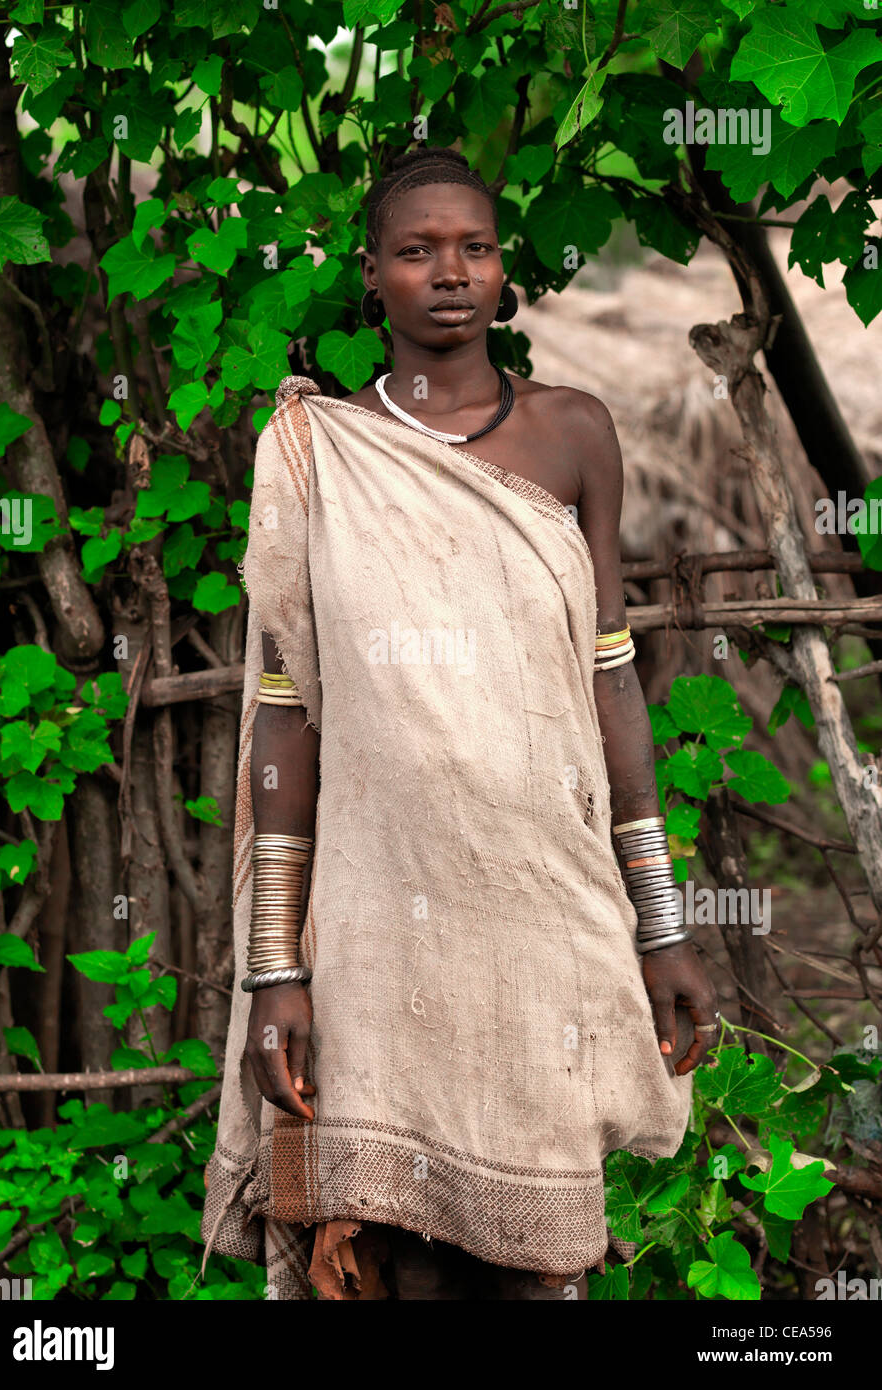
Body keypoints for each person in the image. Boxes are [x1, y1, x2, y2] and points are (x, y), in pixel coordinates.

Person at [201, 147, 718, 1301]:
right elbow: (286, 724)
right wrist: (277, 973)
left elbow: (611, 681)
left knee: (539, 1258)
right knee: (398, 1260)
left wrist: (662, 925)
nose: (449, 272)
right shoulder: (314, 455)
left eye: (473, 248)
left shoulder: (574, 434)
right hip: (377, 927)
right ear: (369, 273)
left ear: (503, 272)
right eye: (416, 250)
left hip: (545, 908)